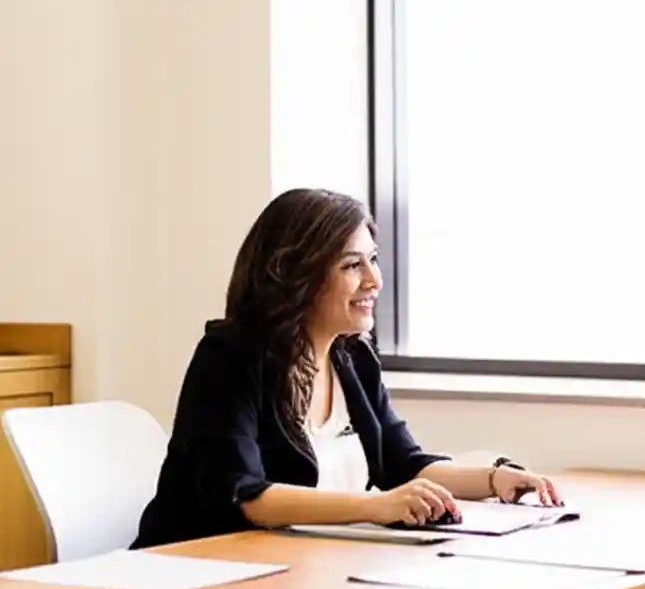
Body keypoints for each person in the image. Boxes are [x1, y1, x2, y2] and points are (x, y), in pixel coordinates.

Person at [132, 188, 560, 549]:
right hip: (200, 574)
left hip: (297, 572)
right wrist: (376, 507)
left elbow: (403, 463)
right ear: (295, 275)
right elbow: (246, 497)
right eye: (353, 265)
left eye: (373, 260)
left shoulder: (353, 357)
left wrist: (495, 479)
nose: (374, 280)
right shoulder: (228, 357)